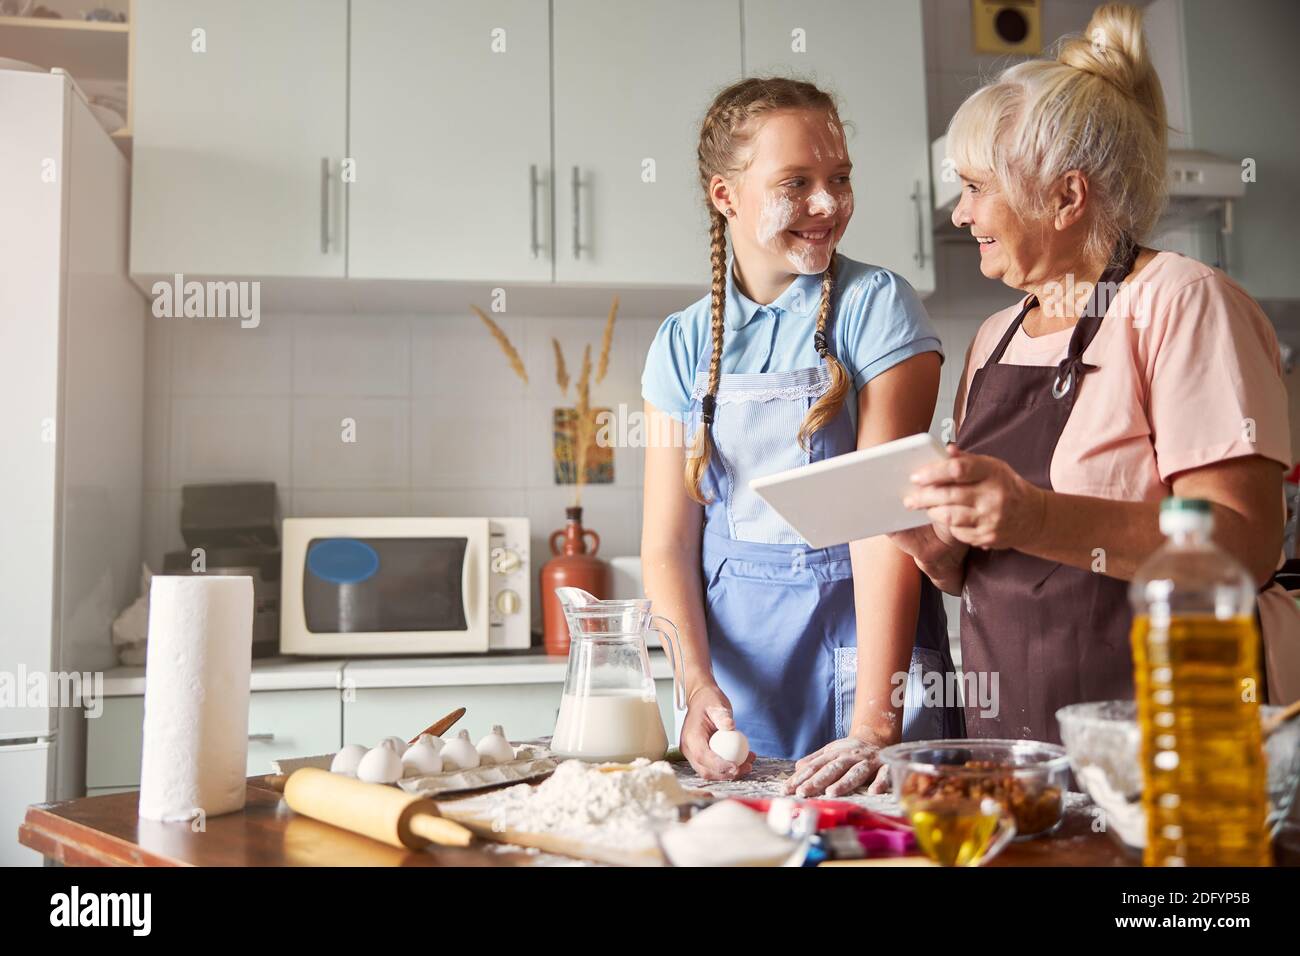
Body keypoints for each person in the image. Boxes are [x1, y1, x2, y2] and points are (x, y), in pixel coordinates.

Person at [893, 2, 1300, 747]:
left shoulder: (1181, 301)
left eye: (978, 187)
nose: (960, 214)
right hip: (1019, 746)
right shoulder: (993, 336)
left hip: (1171, 740)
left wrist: (1035, 515)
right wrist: (941, 548)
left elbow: (1243, 541)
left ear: (1066, 196)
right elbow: (993, 573)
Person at [640, 77, 962, 796]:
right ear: (727, 196)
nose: (828, 203)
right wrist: (695, 683)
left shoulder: (877, 309)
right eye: (797, 182)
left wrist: (876, 726)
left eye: (839, 178)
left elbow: (886, 521)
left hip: (867, 670)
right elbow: (667, 543)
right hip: (741, 682)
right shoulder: (680, 344)